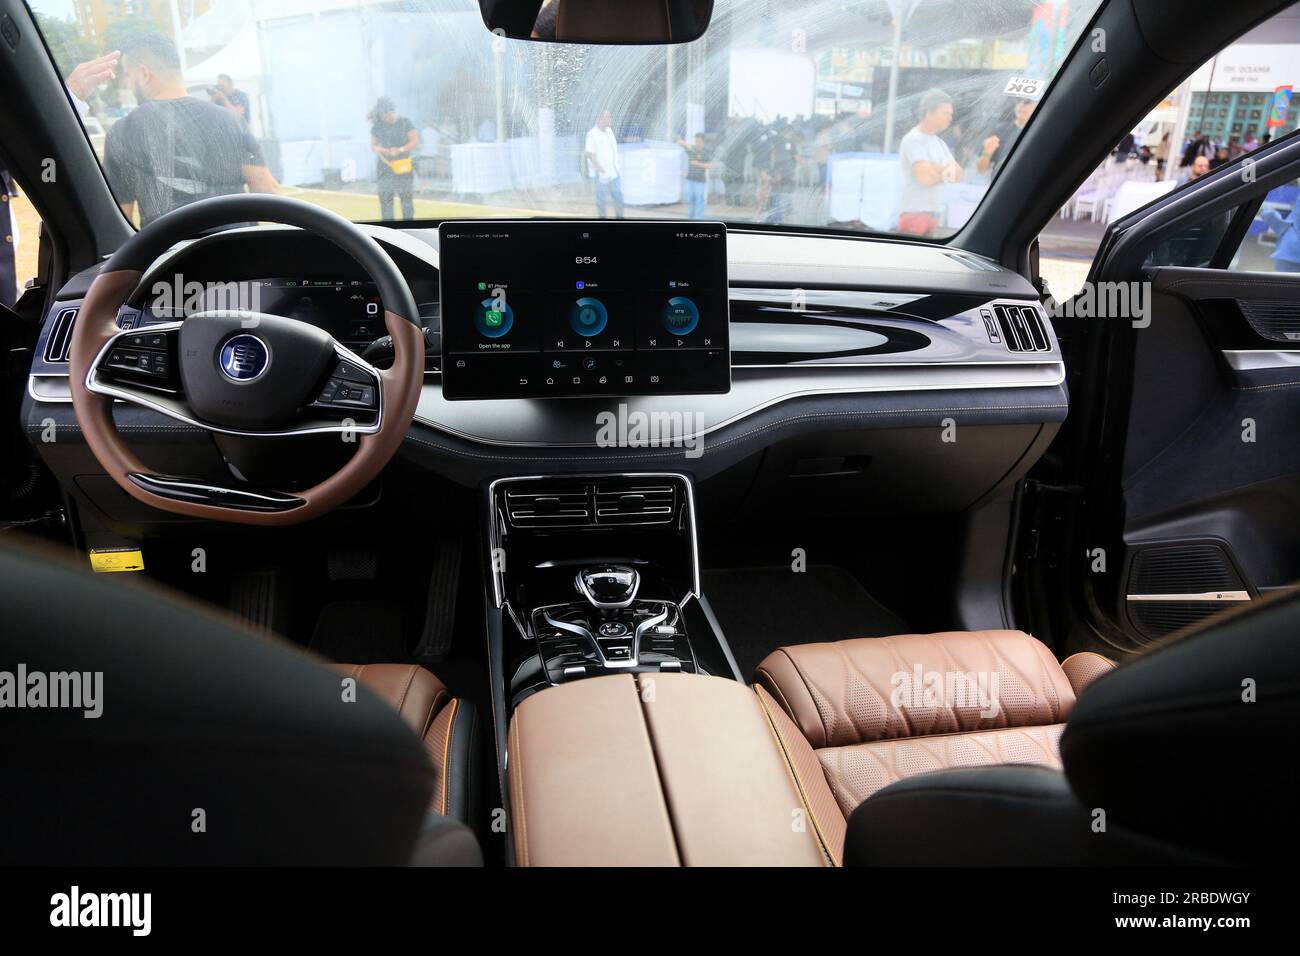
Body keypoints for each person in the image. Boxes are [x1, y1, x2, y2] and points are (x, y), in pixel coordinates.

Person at [104, 34, 278, 226]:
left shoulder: (121, 132)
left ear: (144, 74)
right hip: (235, 246)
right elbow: (265, 189)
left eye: (128, 75)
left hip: (172, 252)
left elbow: (119, 219)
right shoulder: (231, 120)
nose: (127, 85)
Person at [897, 89, 962, 236]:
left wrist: (934, 169)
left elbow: (957, 175)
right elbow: (925, 178)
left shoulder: (939, 143)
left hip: (933, 213)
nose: (950, 118)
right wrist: (945, 170)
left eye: (950, 114)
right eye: (945, 113)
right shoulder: (913, 139)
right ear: (929, 112)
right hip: (914, 213)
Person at [369, 97, 418, 221]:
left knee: (406, 200)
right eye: (383, 116)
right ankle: (388, 228)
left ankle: (408, 227)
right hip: (384, 168)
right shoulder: (378, 126)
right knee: (386, 200)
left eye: (387, 115)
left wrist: (400, 150)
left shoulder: (405, 122)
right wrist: (380, 149)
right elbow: (373, 145)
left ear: (392, 112)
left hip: (403, 167)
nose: (386, 118)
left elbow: (414, 142)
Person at [975, 96, 1034, 177]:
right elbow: (980, 169)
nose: (1021, 105)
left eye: (1027, 102)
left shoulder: (1043, 131)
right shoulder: (1000, 130)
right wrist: (987, 152)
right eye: (1018, 101)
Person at [585, 110, 623, 219]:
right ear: (600, 119)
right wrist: (601, 170)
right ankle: (602, 222)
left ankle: (621, 220)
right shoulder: (592, 134)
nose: (610, 119)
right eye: (607, 117)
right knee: (601, 200)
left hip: (614, 171)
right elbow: (590, 155)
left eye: (610, 117)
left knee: (618, 197)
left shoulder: (609, 131)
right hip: (600, 174)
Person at [677, 132, 713, 219]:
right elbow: (682, 143)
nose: (697, 143)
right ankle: (691, 218)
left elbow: (710, 166)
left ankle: (699, 219)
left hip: (700, 181)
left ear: (703, 142)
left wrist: (697, 164)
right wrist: (680, 140)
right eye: (696, 141)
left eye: (699, 141)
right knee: (691, 200)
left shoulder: (706, 152)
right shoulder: (692, 149)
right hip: (690, 180)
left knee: (699, 200)